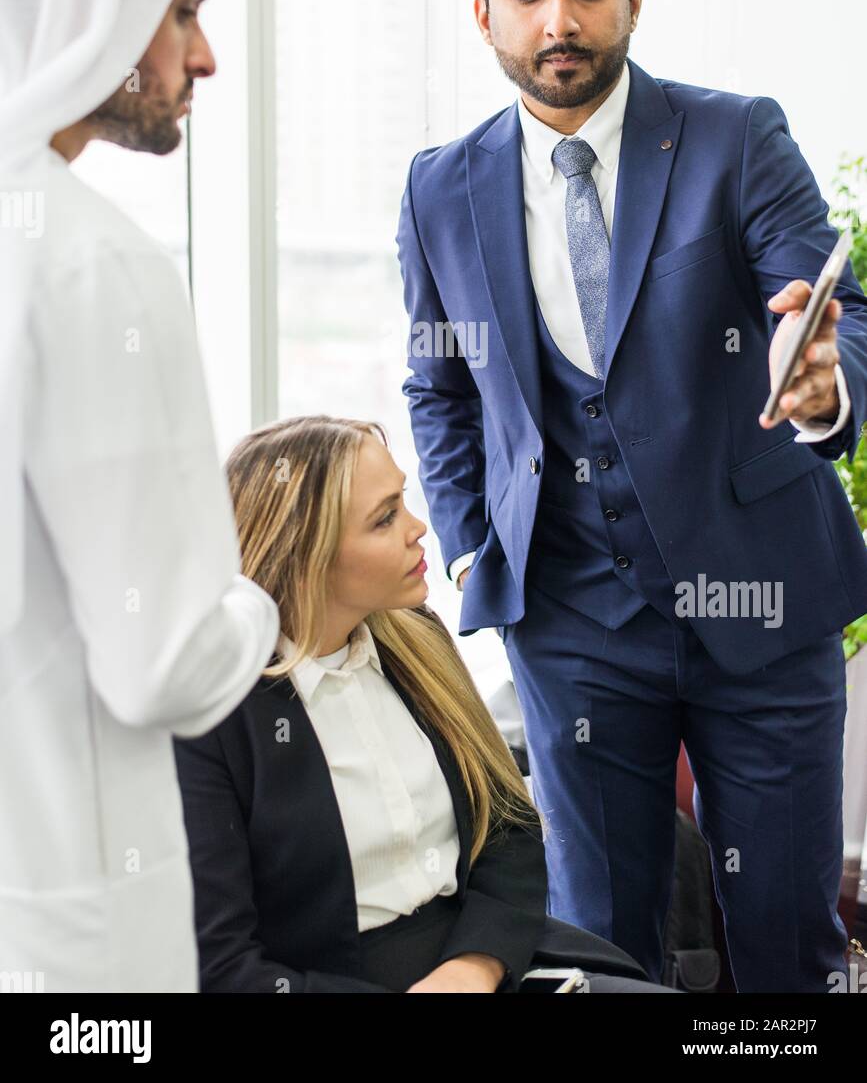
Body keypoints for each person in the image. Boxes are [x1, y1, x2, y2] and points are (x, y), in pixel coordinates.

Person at [395, 0, 867, 992]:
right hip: (572, 620)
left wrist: (824, 380)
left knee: (786, 946)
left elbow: (834, 307)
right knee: (597, 944)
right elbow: (437, 382)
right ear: (484, 10)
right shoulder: (438, 186)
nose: (562, 17)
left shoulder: (735, 136)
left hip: (760, 601)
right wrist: (472, 543)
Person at [0, 0, 279, 992]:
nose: (203, 57)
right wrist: (261, 598)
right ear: (88, 6)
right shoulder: (95, 264)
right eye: (183, 13)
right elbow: (164, 664)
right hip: (78, 933)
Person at [173, 415, 679, 993]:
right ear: (307, 554)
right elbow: (223, 968)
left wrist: (475, 966)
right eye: (385, 518)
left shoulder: (416, 639)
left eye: (404, 503)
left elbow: (509, 831)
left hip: (492, 959)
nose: (419, 529)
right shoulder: (213, 719)